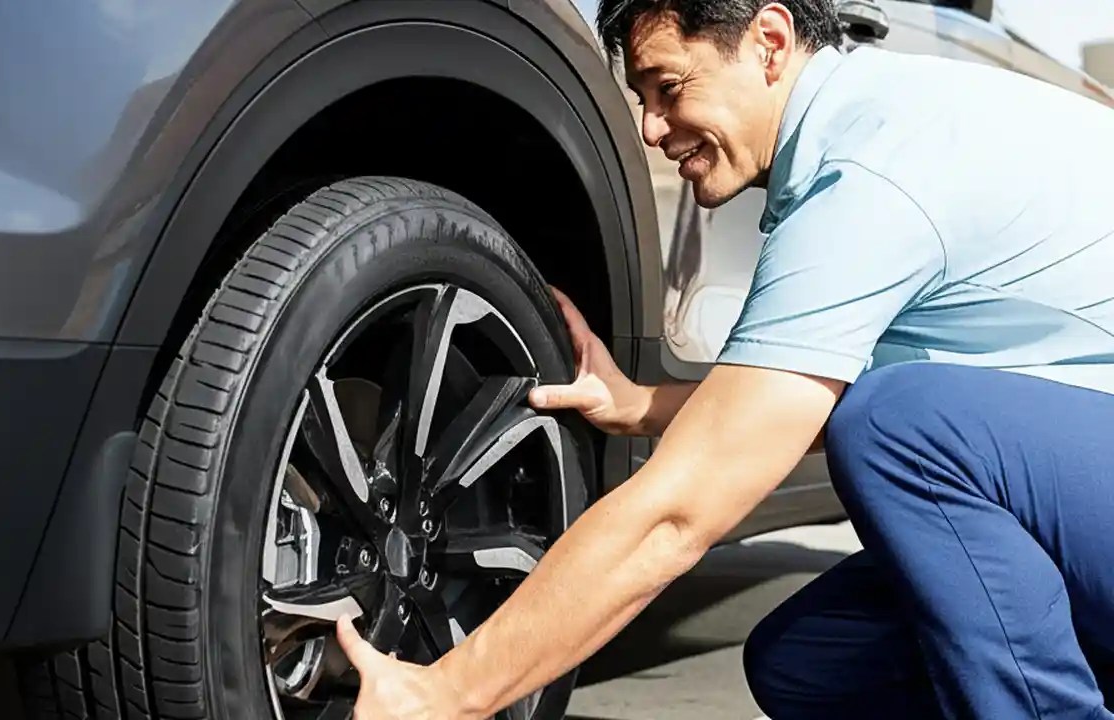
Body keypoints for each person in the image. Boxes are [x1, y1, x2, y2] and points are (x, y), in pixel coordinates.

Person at [334, 0, 1114, 717]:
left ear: (768, 43)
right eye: (641, 97)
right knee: (809, 663)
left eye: (668, 86)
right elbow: (801, 401)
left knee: (898, 425)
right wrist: (640, 405)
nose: (649, 126)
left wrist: (450, 692)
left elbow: (679, 515)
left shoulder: (870, 178)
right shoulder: (880, 124)